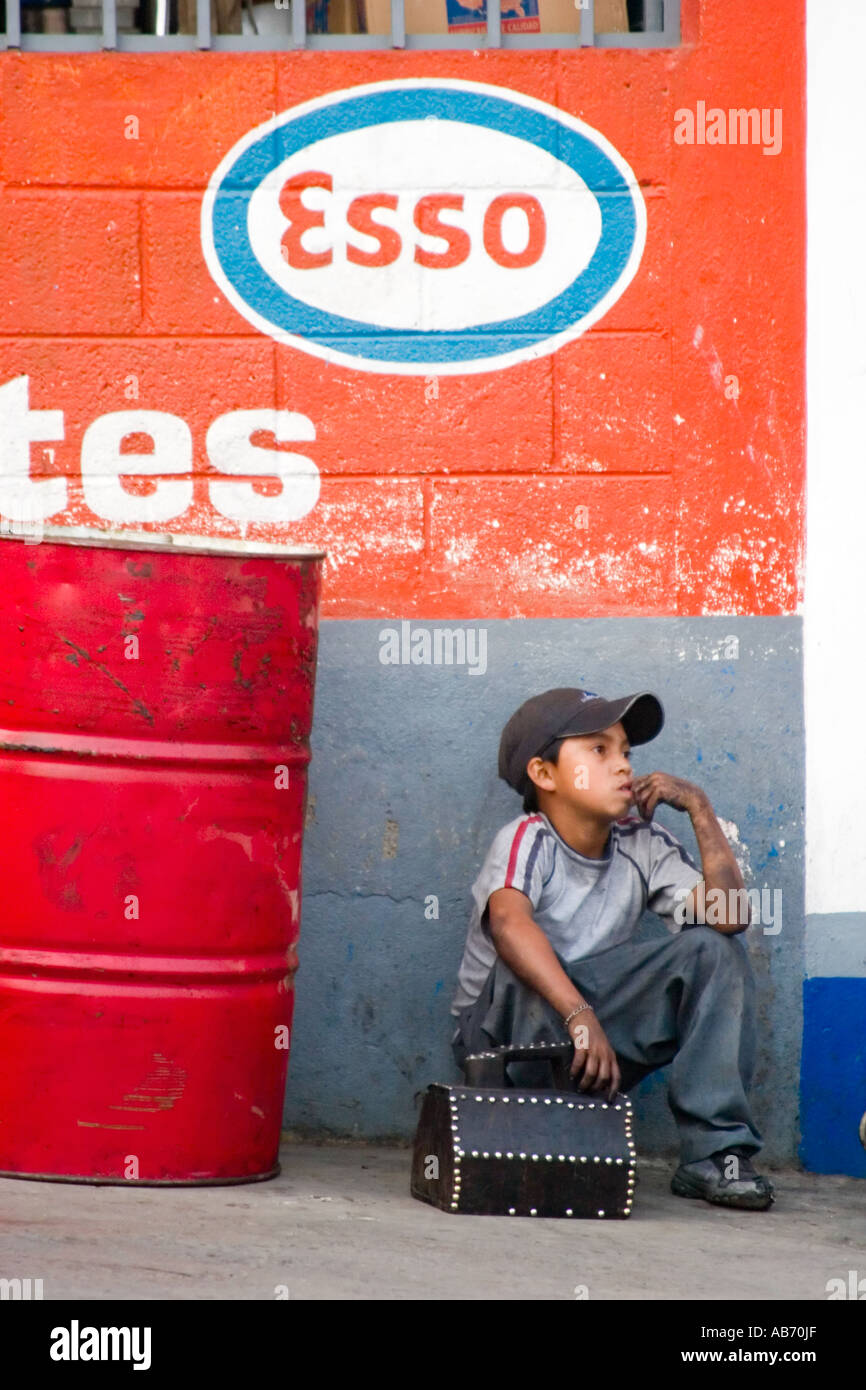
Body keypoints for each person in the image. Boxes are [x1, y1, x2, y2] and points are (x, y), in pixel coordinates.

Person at [450, 686, 774, 1211]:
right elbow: (509, 927)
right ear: (545, 774)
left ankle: (715, 1157)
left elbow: (729, 917)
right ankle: (538, 1134)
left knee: (714, 951)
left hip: (591, 1039)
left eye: (625, 751)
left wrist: (699, 806)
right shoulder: (527, 838)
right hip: (504, 1042)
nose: (622, 765)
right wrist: (579, 1015)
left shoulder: (639, 841)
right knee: (520, 963)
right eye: (599, 750)